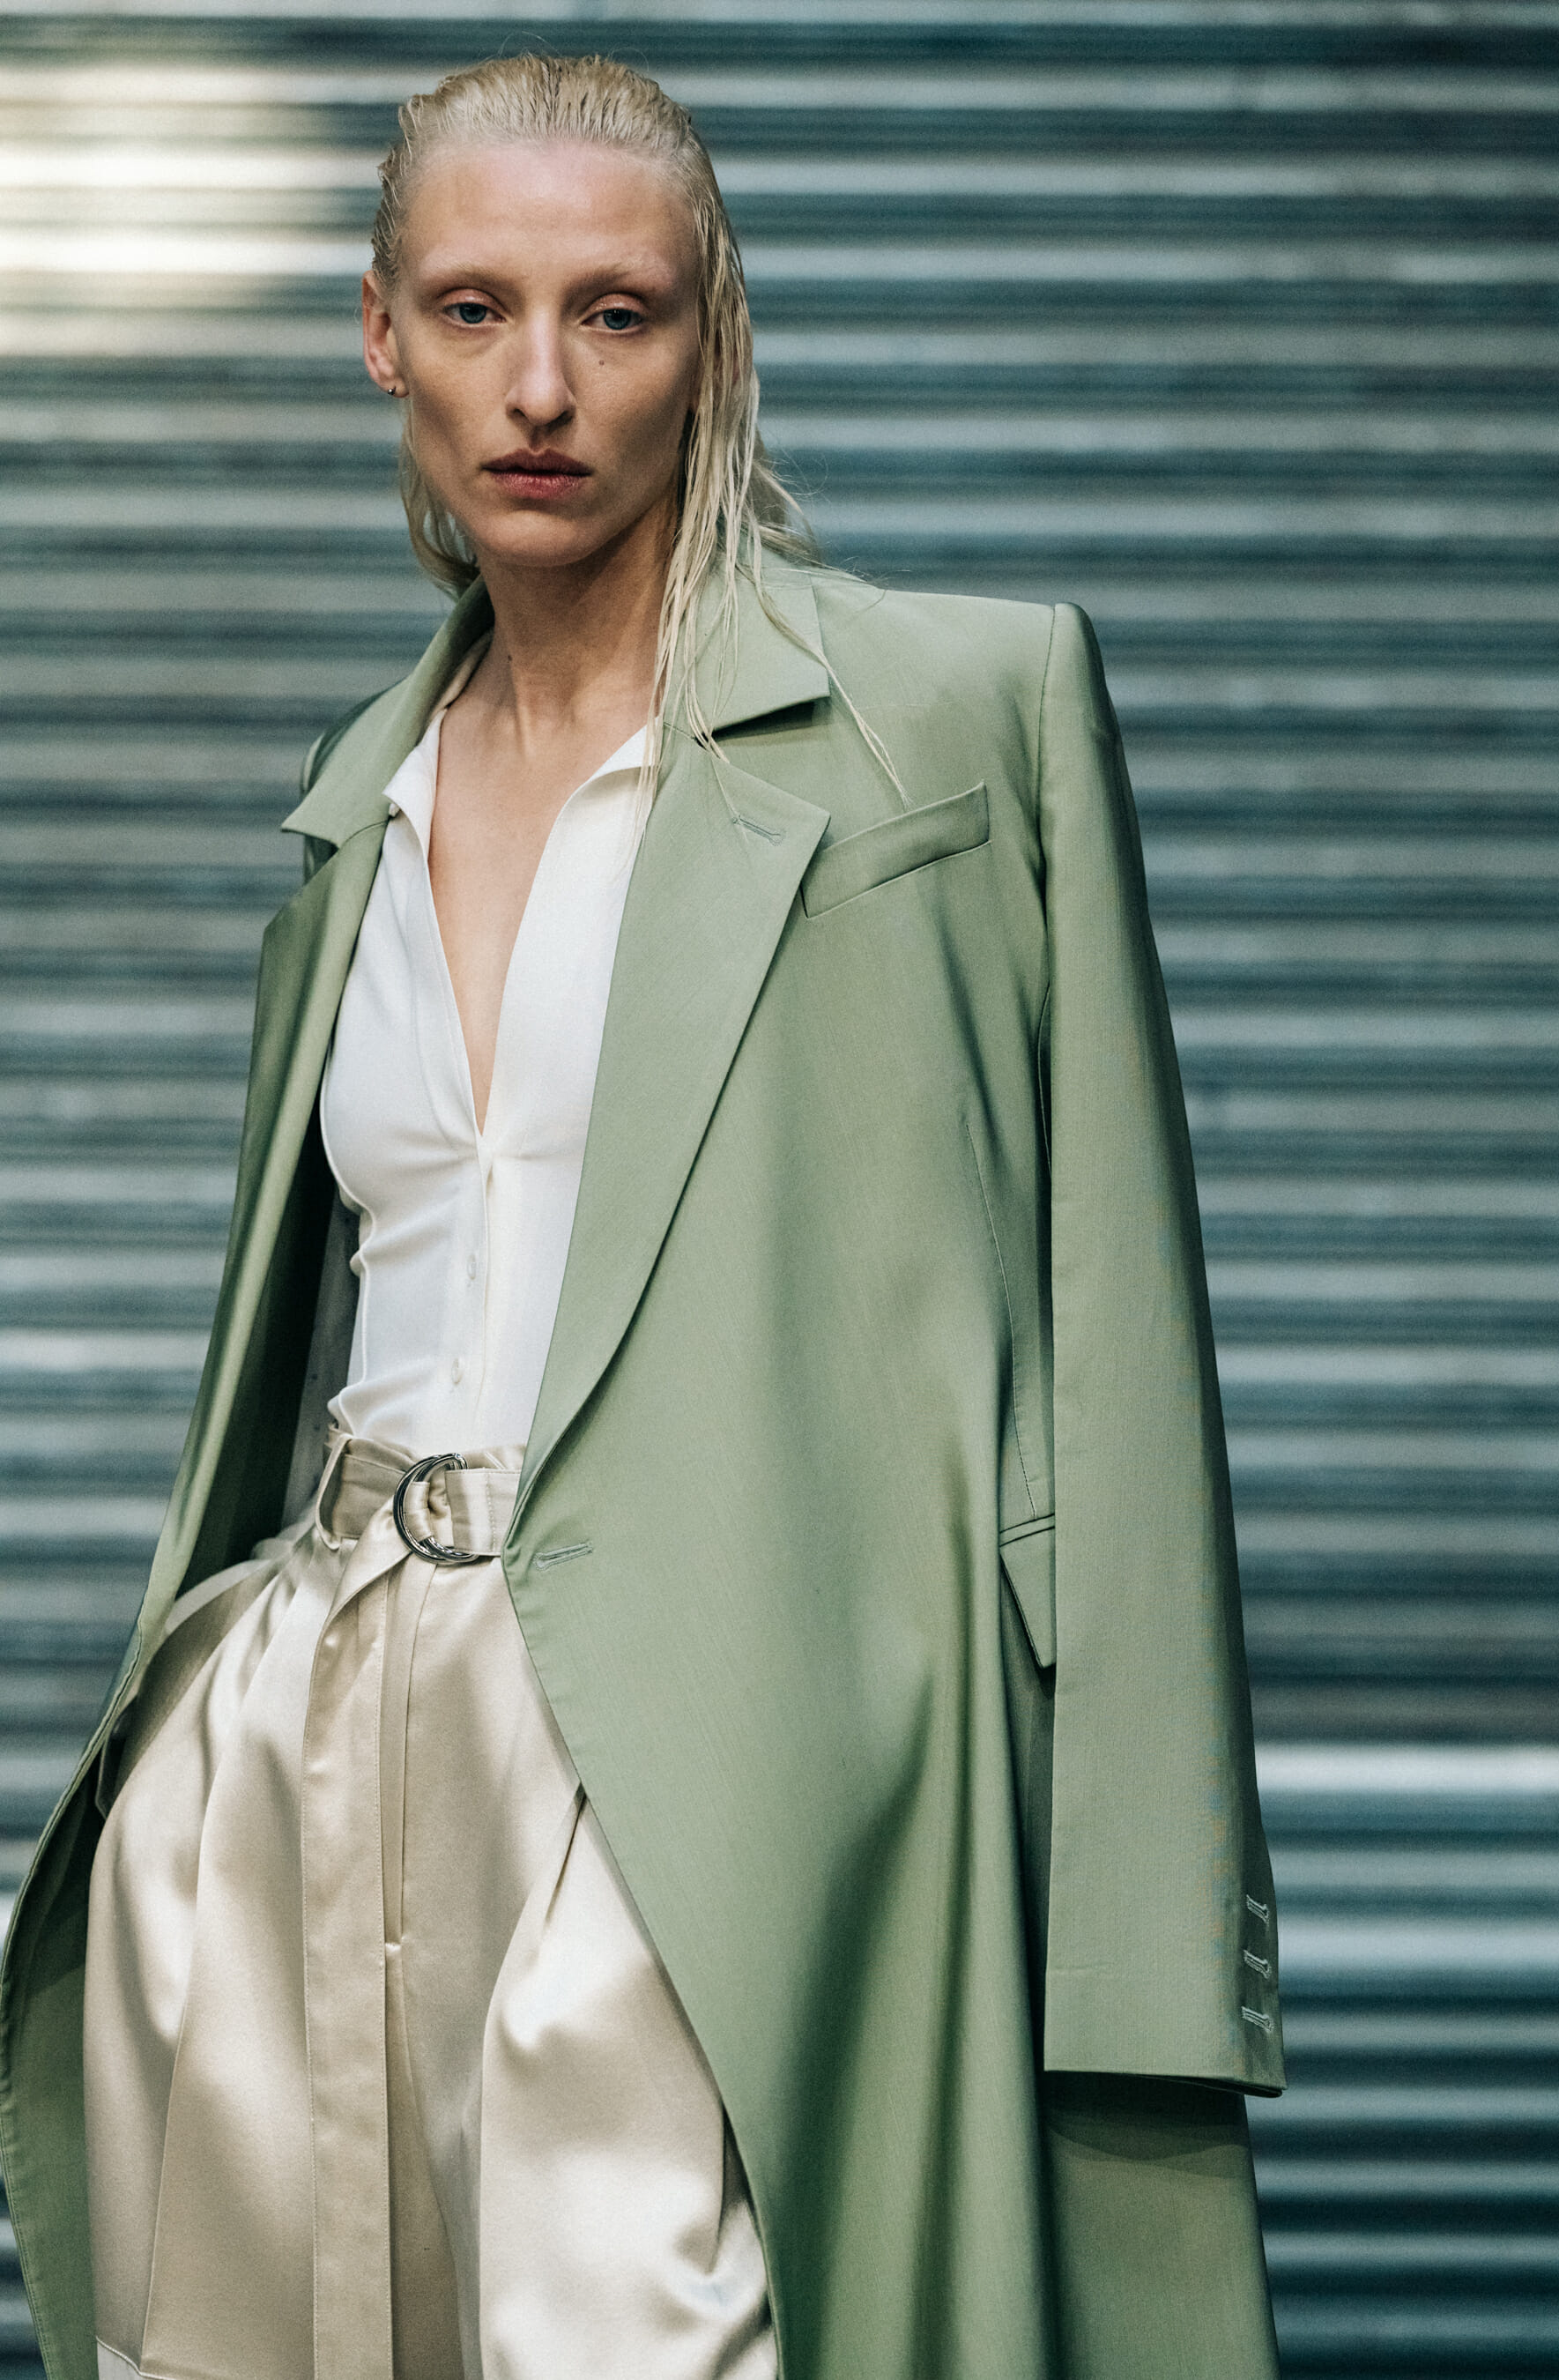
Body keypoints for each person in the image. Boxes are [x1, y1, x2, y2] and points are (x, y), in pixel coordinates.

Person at [0, 51, 1284, 2380]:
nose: (543, 387)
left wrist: (1145, 1951)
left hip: (741, 1752)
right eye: (477, 307)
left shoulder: (952, 728)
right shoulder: (352, 814)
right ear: (377, 330)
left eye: (619, 313)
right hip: (314, 1741)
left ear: (717, 333)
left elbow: (1123, 1364)